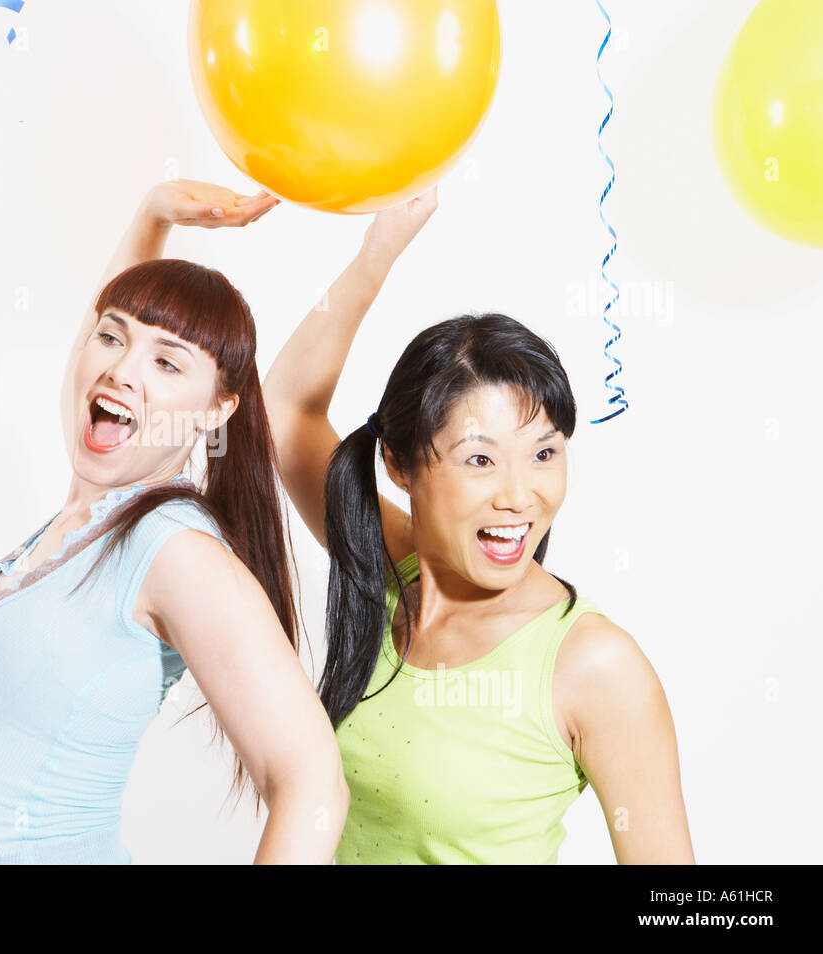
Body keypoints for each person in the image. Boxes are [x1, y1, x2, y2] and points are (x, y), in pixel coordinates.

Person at [263, 188, 695, 864]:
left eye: (544, 453)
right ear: (400, 464)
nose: (519, 495)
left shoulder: (595, 665)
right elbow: (284, 411)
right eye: (481, 459)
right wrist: (379, 251)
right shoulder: (384, 564)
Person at [0, 179, 348, 864]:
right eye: (111, 340)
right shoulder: (89, 515)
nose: (122, 370)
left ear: (217, 410)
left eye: (166, 362)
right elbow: (105, 342)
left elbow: (312, 781)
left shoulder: (173, 548)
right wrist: (152, 215)